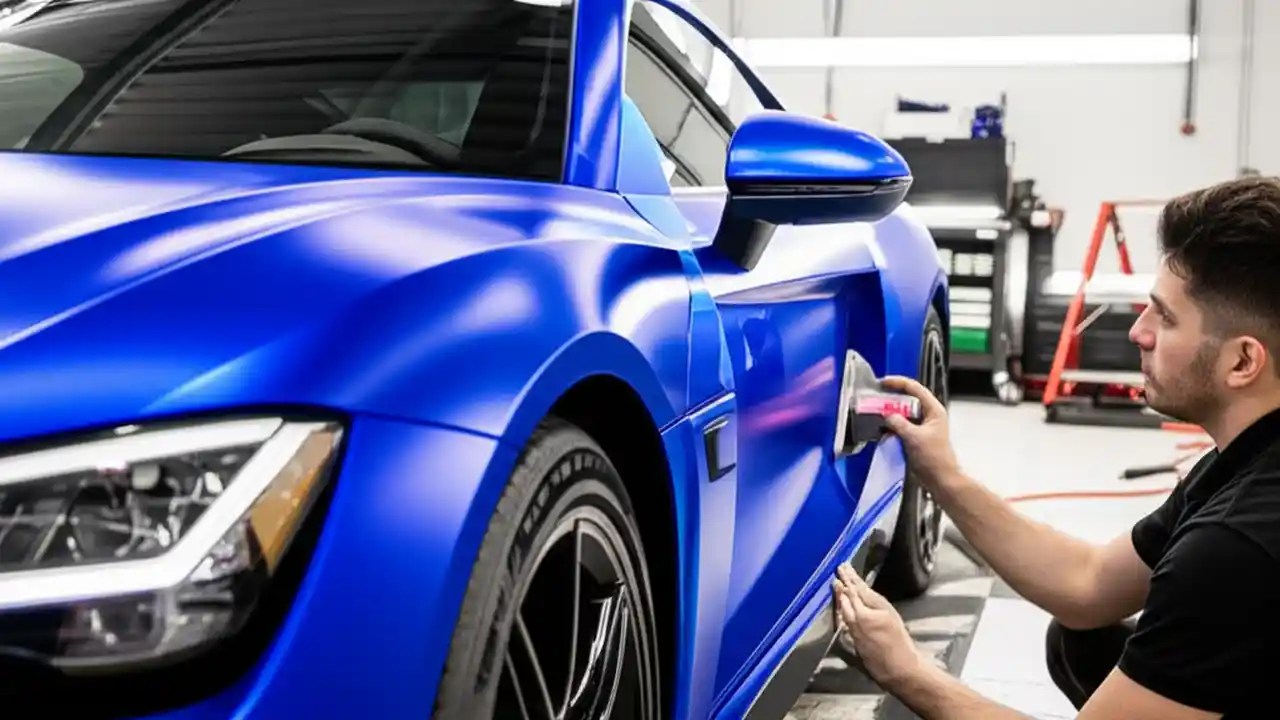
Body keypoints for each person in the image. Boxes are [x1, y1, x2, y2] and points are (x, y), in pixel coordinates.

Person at [833, 175, 1280, 720]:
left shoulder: (1238, 548)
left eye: (1164, 316)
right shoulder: (1243, 461)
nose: (1138, 331)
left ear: (1242, 362)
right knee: (1082, 642)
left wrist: (907, 670)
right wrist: (942, 474)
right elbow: (1087, 581)